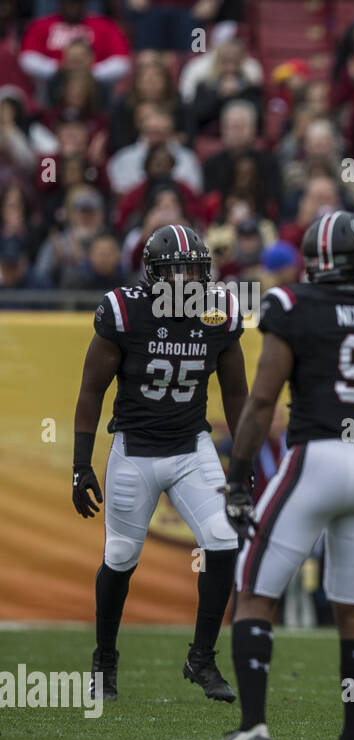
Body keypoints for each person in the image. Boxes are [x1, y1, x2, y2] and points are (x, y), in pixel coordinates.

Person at [200, 211, 354, 740]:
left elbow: (260, 402)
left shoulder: (292, 306)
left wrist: (239, 476)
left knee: (254, 593)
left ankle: (252, 723)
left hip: (316, 456)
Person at [71, 224, 246, 703]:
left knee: (223, 540)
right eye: (178, 272)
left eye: (196, 271)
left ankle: (202, 658)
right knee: (121, 557)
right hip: (135, 450)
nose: (189, 281)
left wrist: (244, 465)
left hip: (192, 448)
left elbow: (235, 393)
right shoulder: (125, 312)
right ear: (153, 276)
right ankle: (105, 658)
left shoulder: (221, 312)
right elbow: (91, 391)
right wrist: (80, 464)